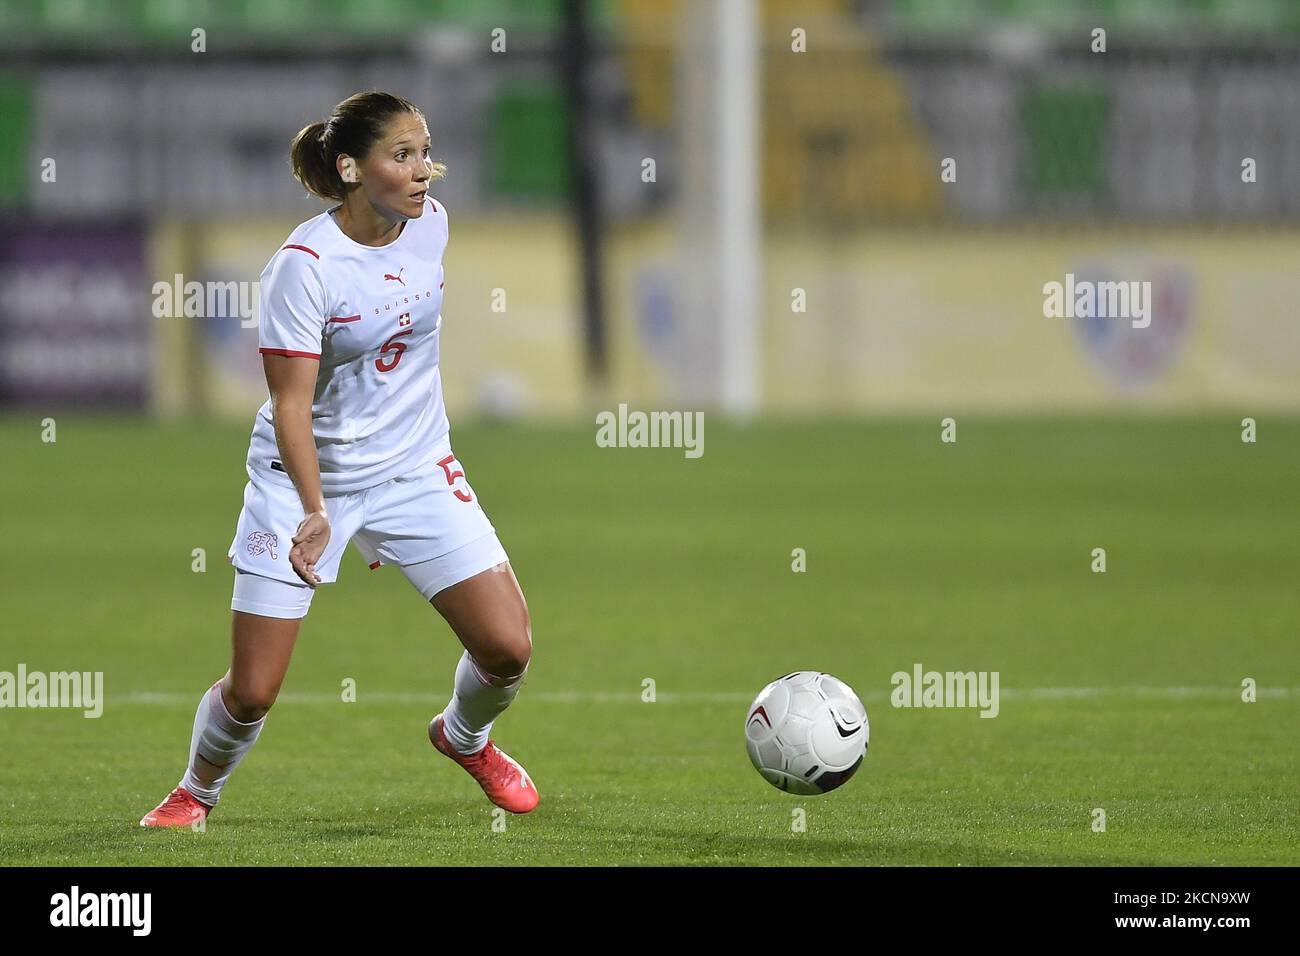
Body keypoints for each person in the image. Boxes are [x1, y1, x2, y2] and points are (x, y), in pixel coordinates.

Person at [140, 91, 538, 828]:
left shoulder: (432, 227)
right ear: (352, 168)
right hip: (303, 480)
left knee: (508, 647)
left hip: (414, 466)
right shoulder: (304, 267)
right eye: (403, 155)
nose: (424, 172)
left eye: (425, 152)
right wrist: (318, 511)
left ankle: (464, 737)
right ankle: (195, 792)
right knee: (254, 689)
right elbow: (291, 405)